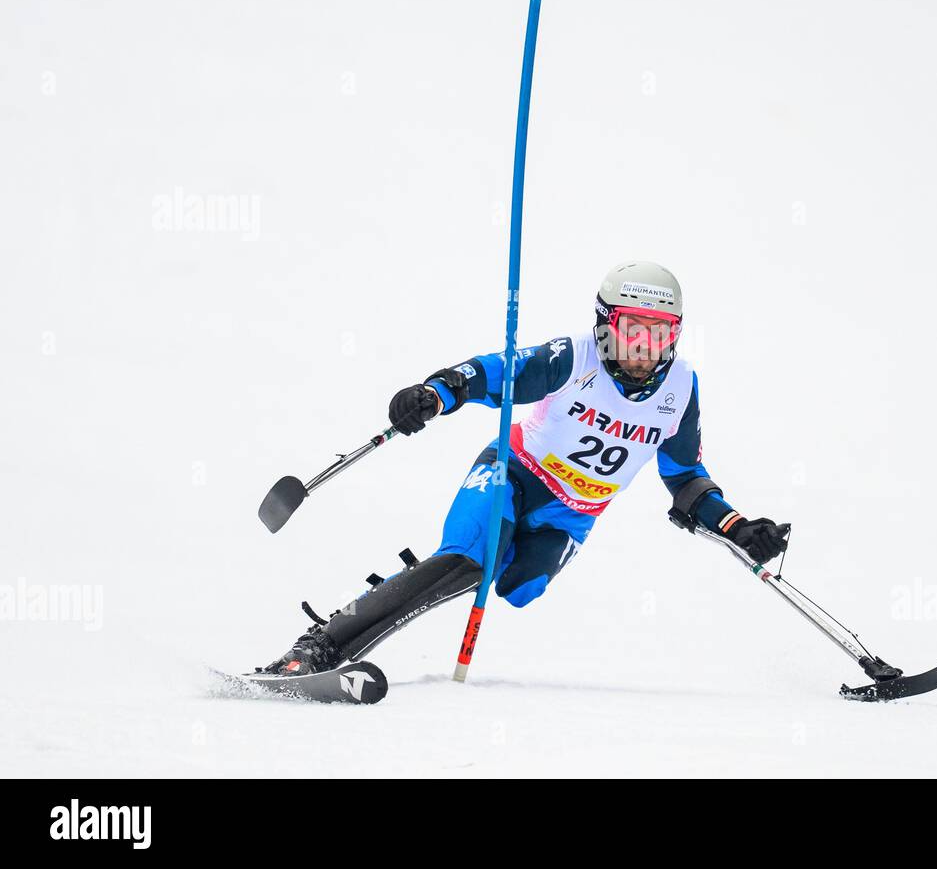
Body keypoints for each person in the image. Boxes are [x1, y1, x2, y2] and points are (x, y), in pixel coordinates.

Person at [260, 260, 791, 675]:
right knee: (473, 560)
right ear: (606, 325)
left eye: (659, 335)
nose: (643, 350)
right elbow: (497, 373)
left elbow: (685, 478)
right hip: (514, 473)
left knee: (518, 587)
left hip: (571, 516)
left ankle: (431, 573)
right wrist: (438, 391)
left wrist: (738, 526)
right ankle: (322, 646)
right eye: (632, 332)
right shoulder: (574, 358)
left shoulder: (680, 390)